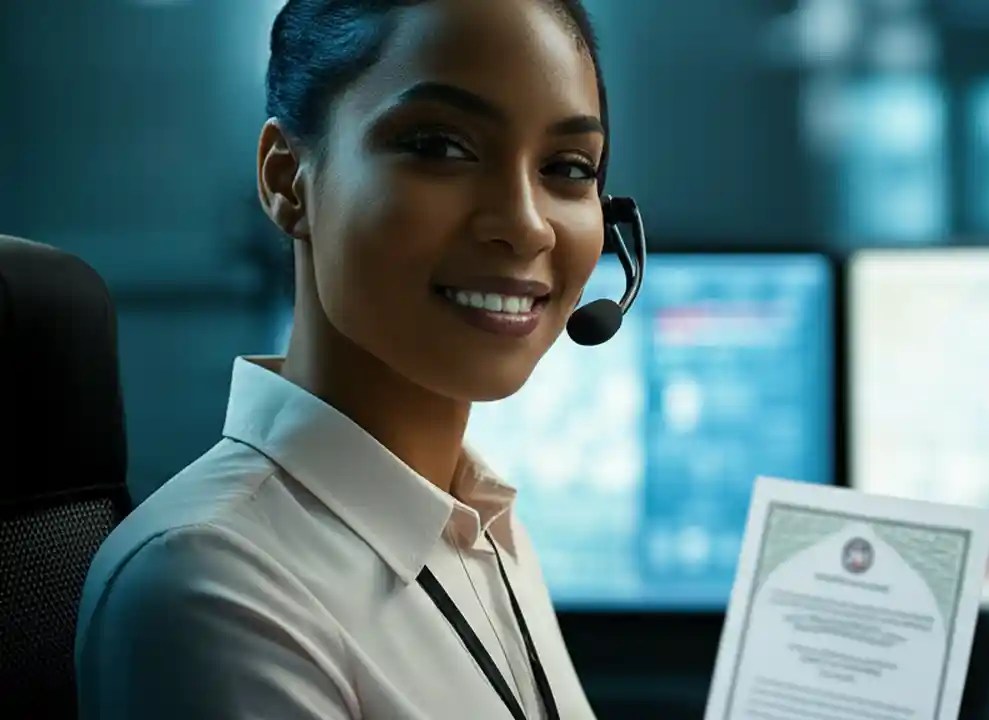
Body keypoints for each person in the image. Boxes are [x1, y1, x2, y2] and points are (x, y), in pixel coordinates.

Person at [75, 0, 615, 717]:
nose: (524, 223)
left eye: (567, 167)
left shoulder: (480, 524)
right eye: (441, 147)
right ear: (285, 178)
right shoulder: (210, 580)